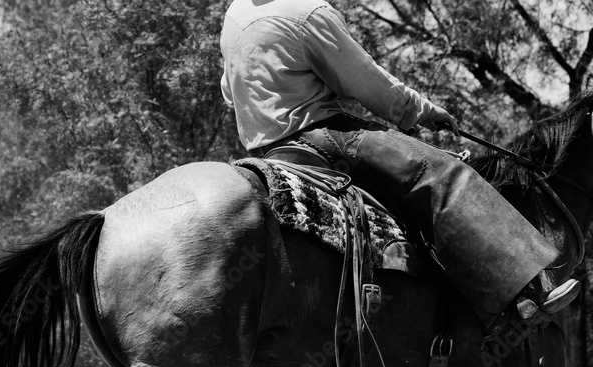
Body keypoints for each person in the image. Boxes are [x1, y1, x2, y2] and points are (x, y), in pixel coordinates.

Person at [220, 0, 579, 332]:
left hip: (267, 153)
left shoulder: (235, 16)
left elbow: (227, 91)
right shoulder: (306, 12)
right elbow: (367, 82)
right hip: (321, 137)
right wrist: (422, 110)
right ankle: (526, 291)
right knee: (445, 174)